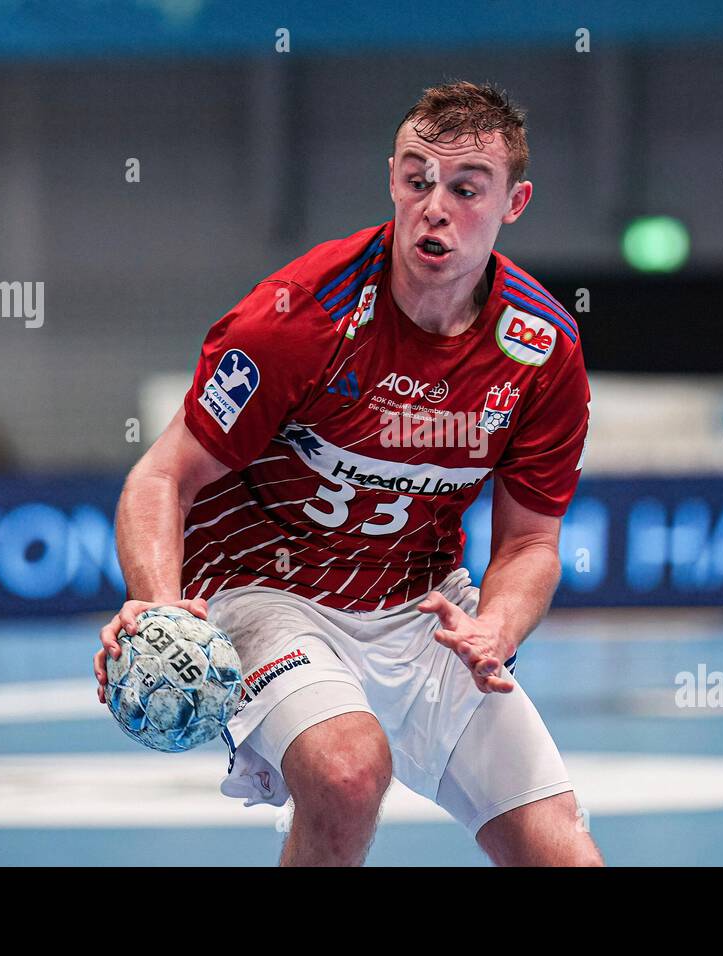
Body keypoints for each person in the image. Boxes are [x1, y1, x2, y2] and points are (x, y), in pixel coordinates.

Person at [93, 81, 602, 866]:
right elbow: (162, 478)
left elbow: (531, 542)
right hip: (268, 594)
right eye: (416, 177)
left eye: (466, 188)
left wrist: (496, 628)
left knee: (562, 856)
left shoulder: (542, 349)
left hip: (423, 612)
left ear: (514, 202)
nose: (435, 206)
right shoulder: (300, 317)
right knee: (349, 772)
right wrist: (160, 611)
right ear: (393, 179)